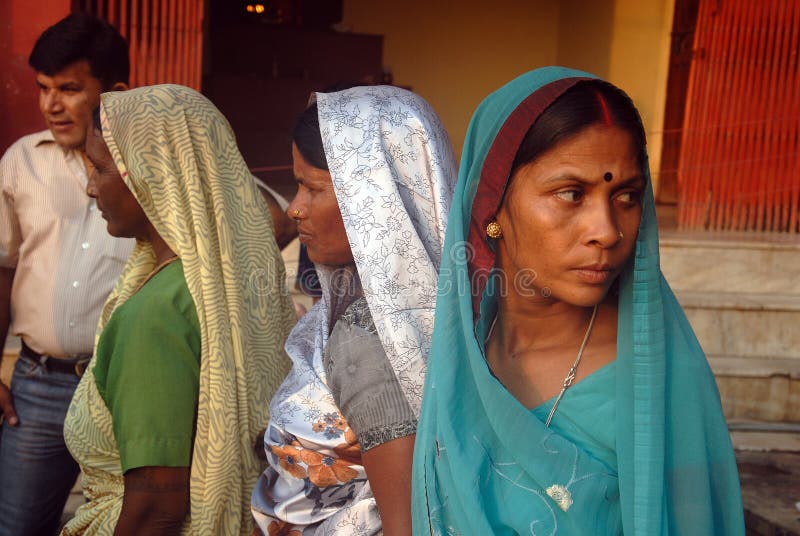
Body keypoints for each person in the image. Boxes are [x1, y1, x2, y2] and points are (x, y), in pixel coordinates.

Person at [412, 67, 745, 535]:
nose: (607, 231)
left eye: (626, 196)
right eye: (571, 194)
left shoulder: (656, 381)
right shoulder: (456, 352)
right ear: (493, 206)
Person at [62, 84, 295, 534]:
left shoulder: (155, 316)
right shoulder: (229, 288)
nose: (91, 188)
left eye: (102, 169)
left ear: (153, 174)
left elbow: (155, 511)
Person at [251, 85, 457, 535]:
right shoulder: (406, 314)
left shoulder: (374, 340)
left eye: (312, 188)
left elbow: (405, 525)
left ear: (377, 198)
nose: (294, 208)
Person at [0, 14, 133, 535]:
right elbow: (4, 266)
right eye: (43, 89)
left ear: (115, 92)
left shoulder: (154, 168)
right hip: (37, 387)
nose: (51, 105)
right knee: (17, 527)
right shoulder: (20, 163)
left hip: (124, 390)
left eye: (70, 89)